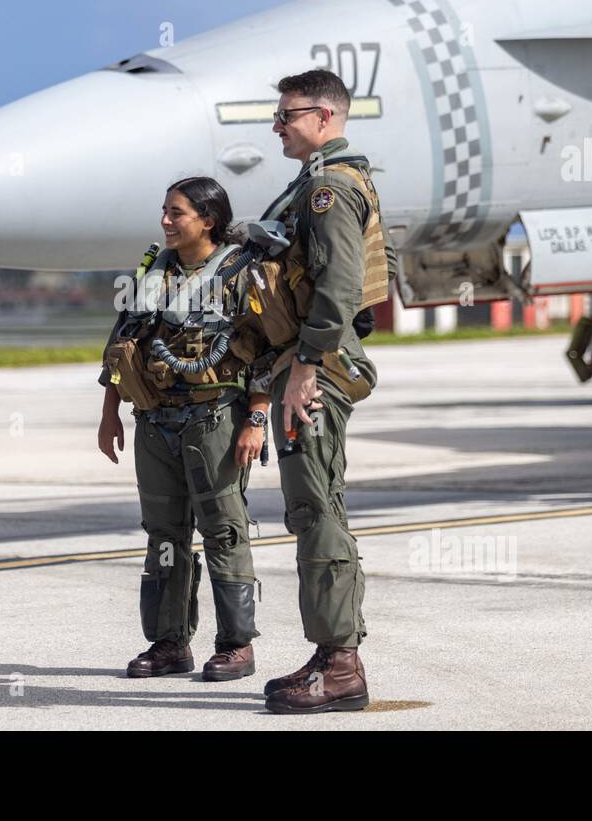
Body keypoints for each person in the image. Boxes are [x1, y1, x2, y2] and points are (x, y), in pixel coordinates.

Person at [255, 70, 391, 714]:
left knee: (315, 509)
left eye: (288, 115)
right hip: (313, 359)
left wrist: (306, 365)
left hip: (317, 368)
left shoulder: (329, 190)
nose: (278, 125)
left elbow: (339, 289)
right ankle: (331, 653)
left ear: (326, 117)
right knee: (316, 505)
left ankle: (340, 665)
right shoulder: (321, 184)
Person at [97, 177, 268, 681]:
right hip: (154, 422)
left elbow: (265, 352)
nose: (166, 222)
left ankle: (237, 645)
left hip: (214, 418)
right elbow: (120, 345)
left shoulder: (239, 274)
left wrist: (256, 419)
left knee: (223, 530)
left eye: (177, 214)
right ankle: (169, 643)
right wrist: (109, 412)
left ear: (207, 220)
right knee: (164, 534)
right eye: (165, 212)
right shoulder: (149, 273)